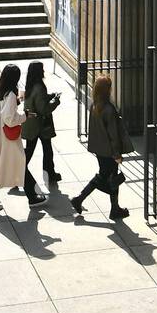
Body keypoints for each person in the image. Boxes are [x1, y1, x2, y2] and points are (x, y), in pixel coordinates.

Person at [0, 64, 46, 212]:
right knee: (20, 161)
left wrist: (17, 100)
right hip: (7, 138)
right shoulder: (10, 95)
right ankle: (33, 197)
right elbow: (10, 119)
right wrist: (25, 116)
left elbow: (1, 111)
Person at [70, 75, 133, 220]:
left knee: (110, 177)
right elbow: (113, 134)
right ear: (107, 90)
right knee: (107, 178)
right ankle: (81, 199)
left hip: (100, 150)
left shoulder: (94, 105)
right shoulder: (108, 109)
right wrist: (117, 154)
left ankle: (113, 207)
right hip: (109, 151)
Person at [22, 61, 62, 192]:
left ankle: (50, 173)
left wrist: (49, 96)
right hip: (39, 126)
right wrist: (55, 101)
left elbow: (38, 100)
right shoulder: (39, 86)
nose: (44, 71)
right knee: (35, 151)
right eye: (42, 69)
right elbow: (43, 109)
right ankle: (18, 171)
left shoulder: (31, 85)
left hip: (32, 125)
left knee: (42, 149)